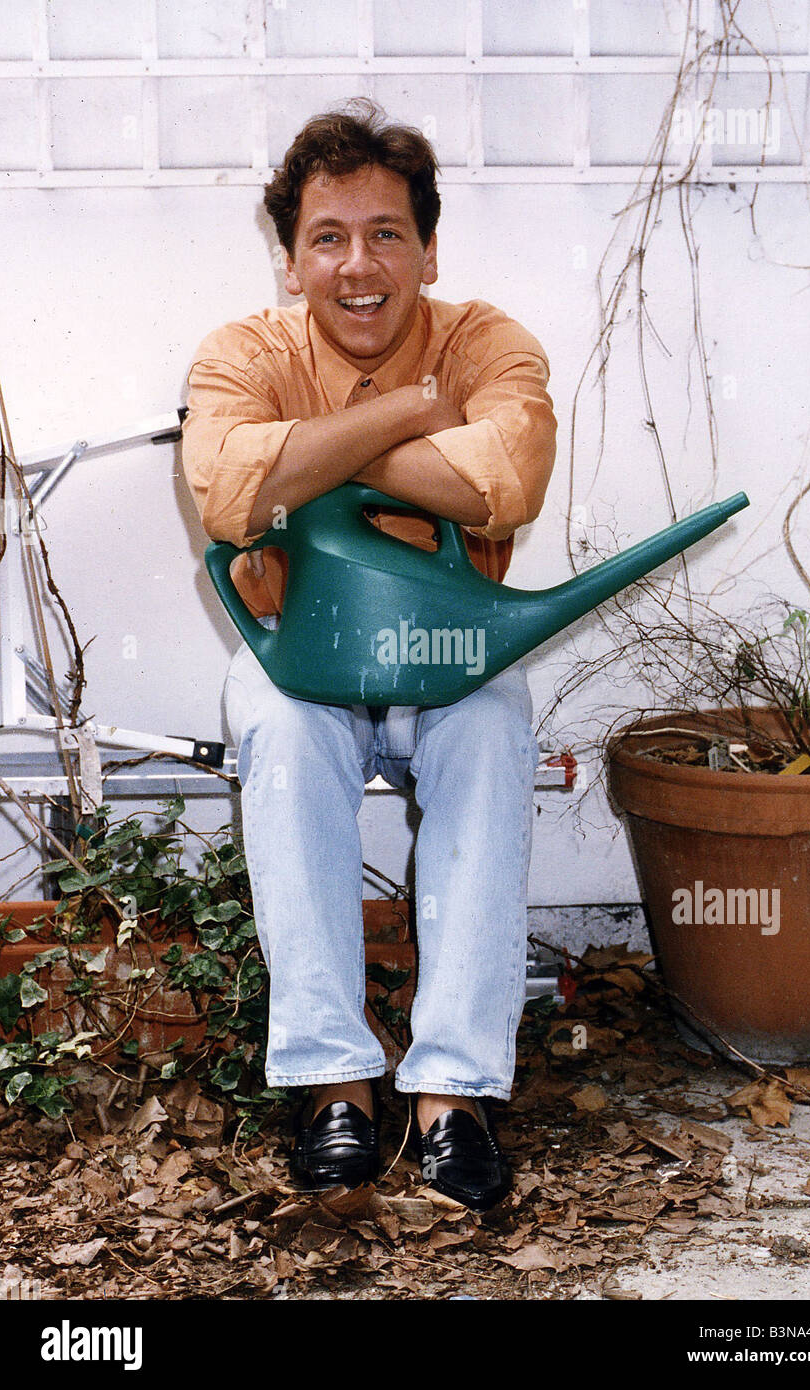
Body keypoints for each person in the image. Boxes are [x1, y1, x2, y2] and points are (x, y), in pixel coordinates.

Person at [182, 99, 557, 1211]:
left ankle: (451, 1093)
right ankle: (334, 1085)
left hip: (451, 652)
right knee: (282, 735)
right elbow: (225, 490)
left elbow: (504, 481)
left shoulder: (489, 341)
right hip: (303, 653)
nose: (359, 264)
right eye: (328, 238)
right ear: (292, 261)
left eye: (386, 233)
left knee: (492, 728)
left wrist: (316, 458)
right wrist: (409, 413)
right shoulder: (241, 351)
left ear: (428, 249)